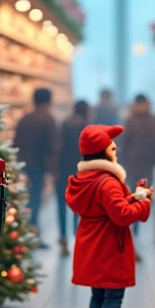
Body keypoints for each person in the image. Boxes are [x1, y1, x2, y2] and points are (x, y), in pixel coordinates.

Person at [66, 124, 153, 308]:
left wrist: (135, 195)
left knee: (98, 294)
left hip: (90, 243)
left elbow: (111, 206)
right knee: (113, 294)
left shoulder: (84, 179)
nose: (116, 153)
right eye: (112, 149)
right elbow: (121, 215)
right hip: (109, 245)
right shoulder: (108, 182)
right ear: (103, 152)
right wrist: (143, 203)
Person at [13, 87, 59, 242]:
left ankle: (26, 234)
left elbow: (16, 142)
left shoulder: (25, 118)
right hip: (39, 166)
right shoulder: (48, 119)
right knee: (36, 201)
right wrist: (53, 170)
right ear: (49, 100)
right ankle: (33, 236)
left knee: (26, 200)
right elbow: (52, 147)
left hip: (23, 165)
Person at [120, 94, 155, 252]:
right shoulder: (142, 120)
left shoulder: (135, 120)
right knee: (138, 198)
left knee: (138, 198)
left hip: (140, 166)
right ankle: (135, 229)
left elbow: (124, 144)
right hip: (139, 166)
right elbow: (125, 144)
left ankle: (135, 228)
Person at [57, 99, 90, 254]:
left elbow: (59, 146)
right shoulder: (87, 126)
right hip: (82, 170)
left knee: (61, 205)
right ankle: (78, 237)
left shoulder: (64, 123)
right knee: (81, 205)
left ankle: (63, 239)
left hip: (63, 168)